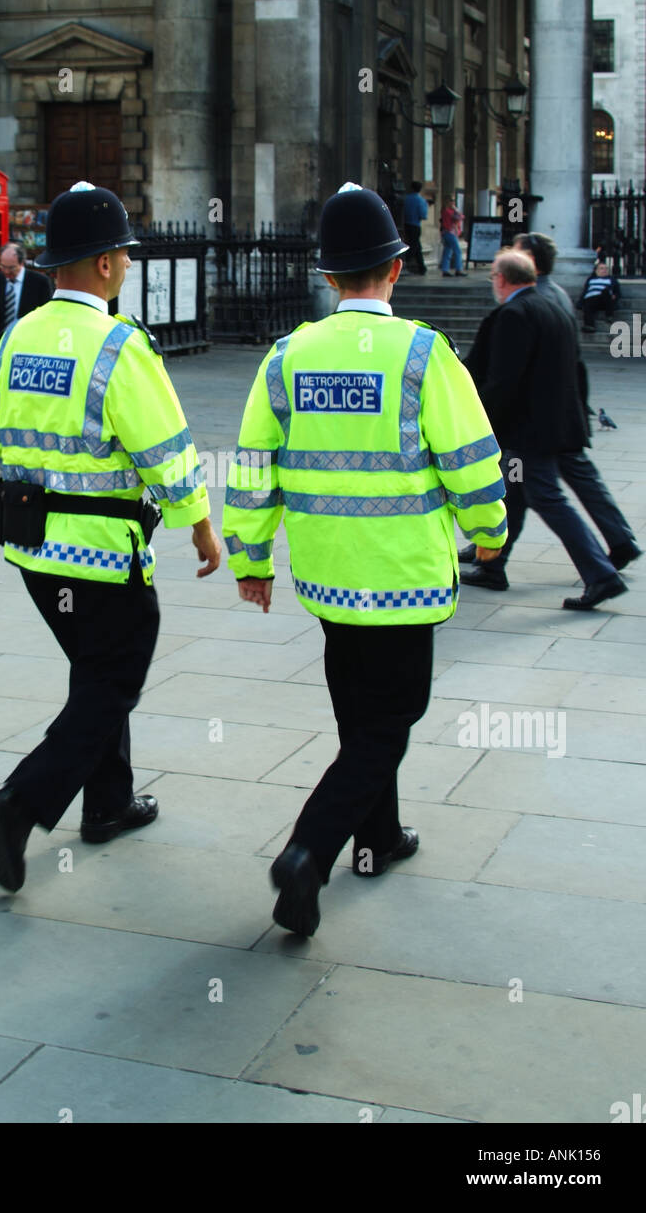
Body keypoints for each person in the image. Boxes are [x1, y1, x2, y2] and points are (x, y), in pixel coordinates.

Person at [222, 183, 507, 936]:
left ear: (326, 275)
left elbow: (253, 468)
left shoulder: (286, 358)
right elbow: (471, 457)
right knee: (389, 724)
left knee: (359, 716)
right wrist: (489, 530)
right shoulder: (422, 353)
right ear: (395, 267)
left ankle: (376, 839)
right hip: (402, 577)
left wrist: (250, 559)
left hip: (326, 577)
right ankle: (306, 852)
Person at [0, 182, 222, 893]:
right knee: (113, 681)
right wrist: (200, 526)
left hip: (28, 547)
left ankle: (108, 804)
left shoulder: (21, 333)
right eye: (126, 257)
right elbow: (167, 452)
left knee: (94, 675)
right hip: (101, 555)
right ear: (109, 264)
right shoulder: (120, 345)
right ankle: (18, 804)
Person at [459, 249, 626, 611]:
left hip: (527, 430)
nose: (493, 283)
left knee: (548, 500)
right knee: (515, 495)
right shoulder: (553, 306)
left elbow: (505, 380)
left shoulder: (515, 315)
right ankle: (493, 566)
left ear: (503, 279)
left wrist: (479, 423)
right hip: (552, 424)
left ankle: (601, 575)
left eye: (493, 277)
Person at [0, 242, 53, 359]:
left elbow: (48, 315)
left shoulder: (40, 282)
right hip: (0, 345)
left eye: (11, 268)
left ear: (22, 263)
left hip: (30, 345)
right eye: (3, 267)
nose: (6, 272)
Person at [578, 254, 621, 333]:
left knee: (605, 291)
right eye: (601, 268)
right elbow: (585, 291)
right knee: (587, 303)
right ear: (596, 270)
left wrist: (615, 296)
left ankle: (609, 315)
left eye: (606, 269)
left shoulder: (612, 279)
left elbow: (617, 292)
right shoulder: (591, 279)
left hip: (605, 299)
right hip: (592, 299)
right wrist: (580, 303)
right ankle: (589, 325)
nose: (604, 270)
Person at [402, 180, 429, 274]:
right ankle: (405, 262)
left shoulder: (406, 198)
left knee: (417, 246)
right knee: (414, 246)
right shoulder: (421, 200)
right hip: (415, 225)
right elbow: (423, 215)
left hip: (406, 224)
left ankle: (422, 267)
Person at [439, 195, 466, 277]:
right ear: (448, 202)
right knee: (457, 251)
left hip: (446, 233)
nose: (453, 202)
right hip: (450, 233)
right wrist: (456, 209)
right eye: (452, 201)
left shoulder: (444, 211)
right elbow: (460, 217)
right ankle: (458, 269)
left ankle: (445, 270)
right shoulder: (449, 211)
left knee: (447, 251)